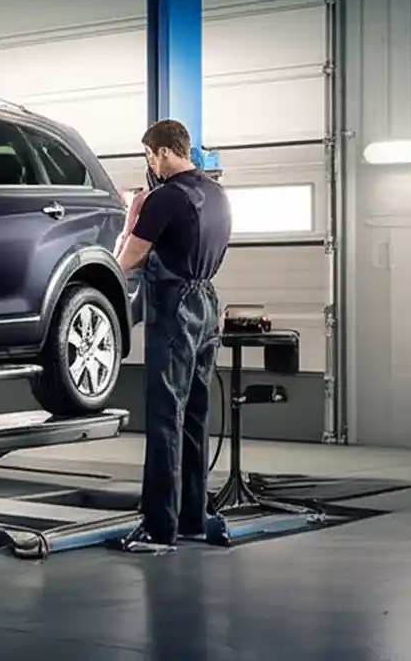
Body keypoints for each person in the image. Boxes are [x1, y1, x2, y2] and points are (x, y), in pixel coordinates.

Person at [114, 119, 232, 549]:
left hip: (173, 310)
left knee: (165, 417)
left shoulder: (163, 199)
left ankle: (158, 529)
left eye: (150, 156)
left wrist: (132, 215)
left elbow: (125, 261)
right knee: (195, 416)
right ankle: (193, 520)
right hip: (207, 307)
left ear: (163, 152)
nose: (151, 164)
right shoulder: (218, 195)